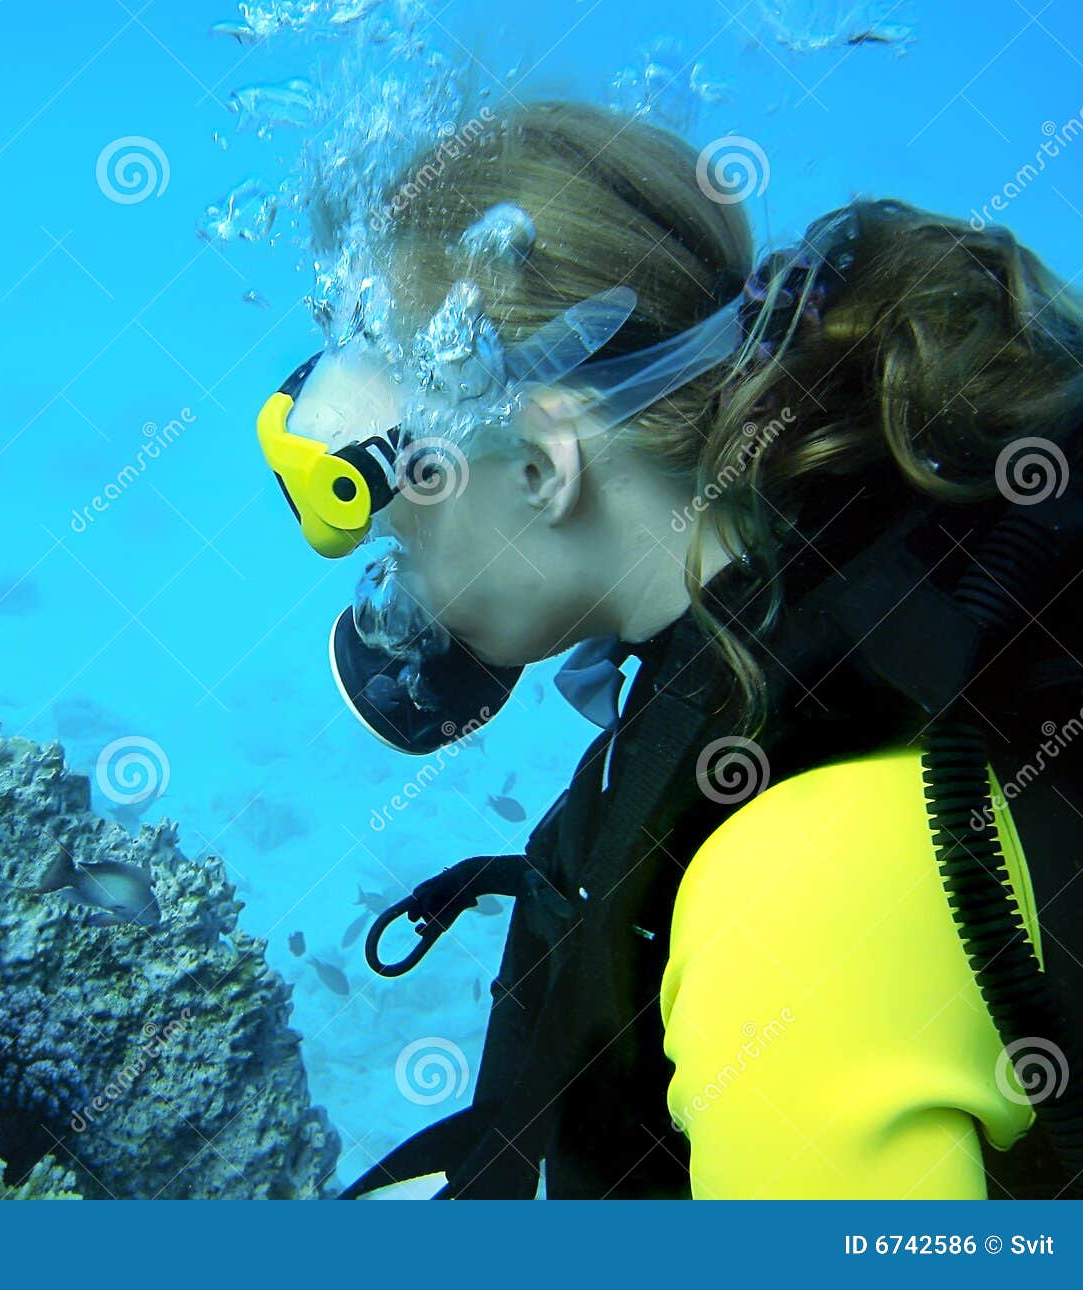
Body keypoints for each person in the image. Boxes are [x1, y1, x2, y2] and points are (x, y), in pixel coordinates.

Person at [256, 101, 1083, 1199]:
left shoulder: (791, 892)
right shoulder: (772, 652)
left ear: (546, 467)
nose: (378, 577)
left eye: (376, 509)